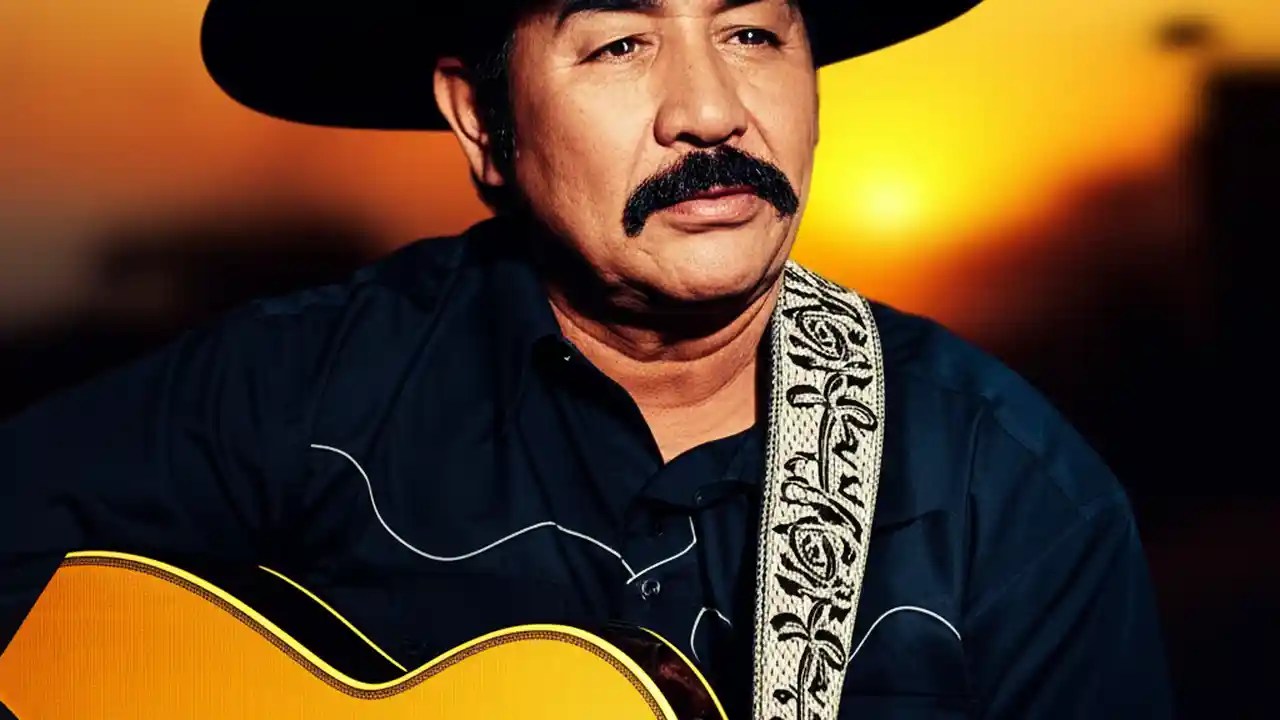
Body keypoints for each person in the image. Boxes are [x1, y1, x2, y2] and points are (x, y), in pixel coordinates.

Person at [1, 0, 1172, 717]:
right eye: (617, 43)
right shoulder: (305, 389)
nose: (709, 110)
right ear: (479, 120)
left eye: (752, 32)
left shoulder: (1013, 495)